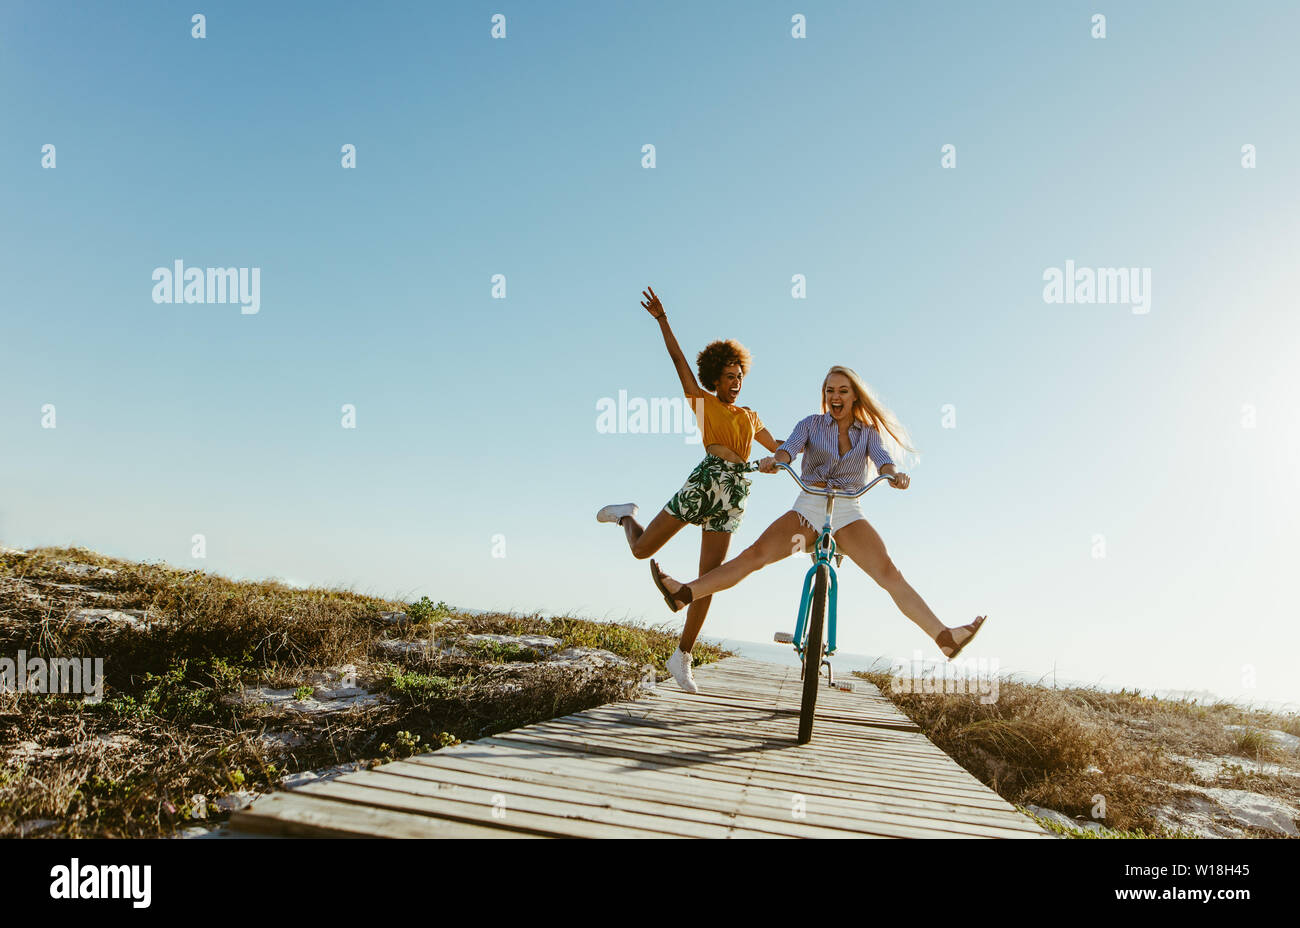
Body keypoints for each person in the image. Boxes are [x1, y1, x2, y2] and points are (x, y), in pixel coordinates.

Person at [649, 365, 986, 664]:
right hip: (809, 506)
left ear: (854, 397)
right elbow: (788, 448)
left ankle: (943, 638)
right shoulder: (810, 424)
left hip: (848, 510)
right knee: (754, 555)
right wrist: (776, 460)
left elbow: (883, 459)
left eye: (842, 390)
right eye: (829, 391)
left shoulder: (868, 433)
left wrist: (893, 474)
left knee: (890, 573)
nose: (835, 396)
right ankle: (685, 594)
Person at [597, 286, 784, 693]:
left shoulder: (751, 416)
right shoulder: (702, 401)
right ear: (714, 377)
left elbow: (781, 447)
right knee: (642, 549)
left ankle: (682, 656)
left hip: (735, 494)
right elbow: (678, 360)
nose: (735, 383)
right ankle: (626, 514)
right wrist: (663, 319)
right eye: (728, 377)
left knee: (710, 578)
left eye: (740, 377)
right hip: (705, 482)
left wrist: (782, 458)